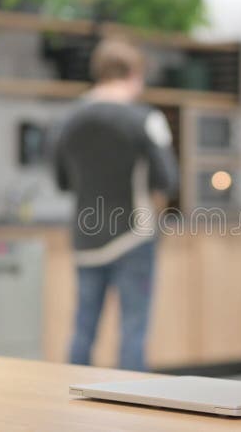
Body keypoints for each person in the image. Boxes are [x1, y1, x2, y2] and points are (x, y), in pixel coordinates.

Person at [55, 39, 178, 370]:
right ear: (135, 74)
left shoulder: (68, 121)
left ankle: (66, 400)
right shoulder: (144, 119)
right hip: (134, 235)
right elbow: (167, 178)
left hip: (85, 237)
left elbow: (62, 181)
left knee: (83, 328)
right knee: (133, 331)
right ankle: (133, 411)